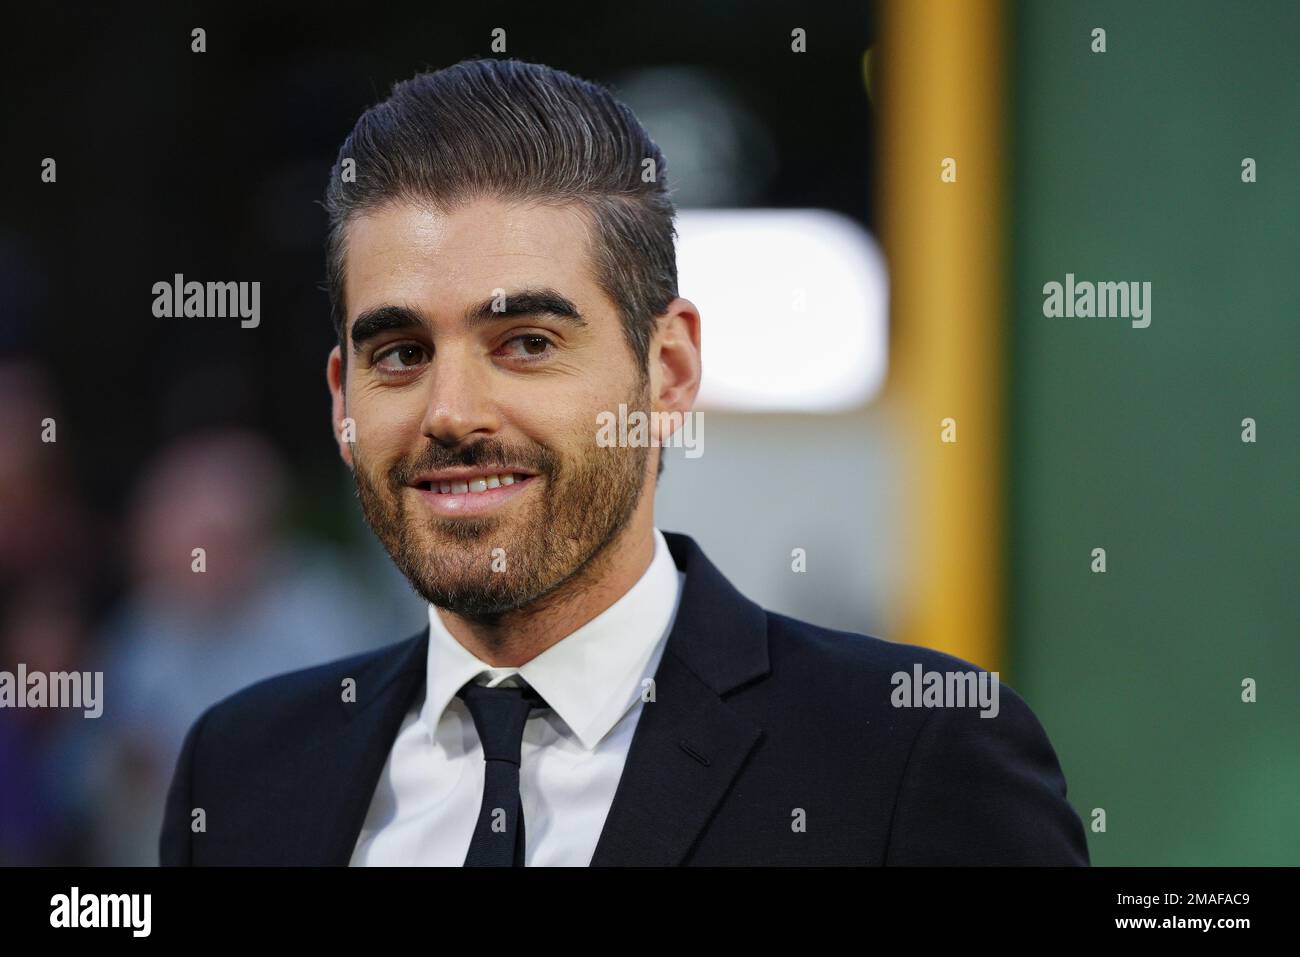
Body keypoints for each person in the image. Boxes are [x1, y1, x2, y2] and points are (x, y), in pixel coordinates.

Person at [160, 57, 1088, 866]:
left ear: (670, 370)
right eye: (400, 354)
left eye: (525, 342)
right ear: (341, 398)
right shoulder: (240, 772)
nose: (451, 413)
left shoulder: (913, 758)